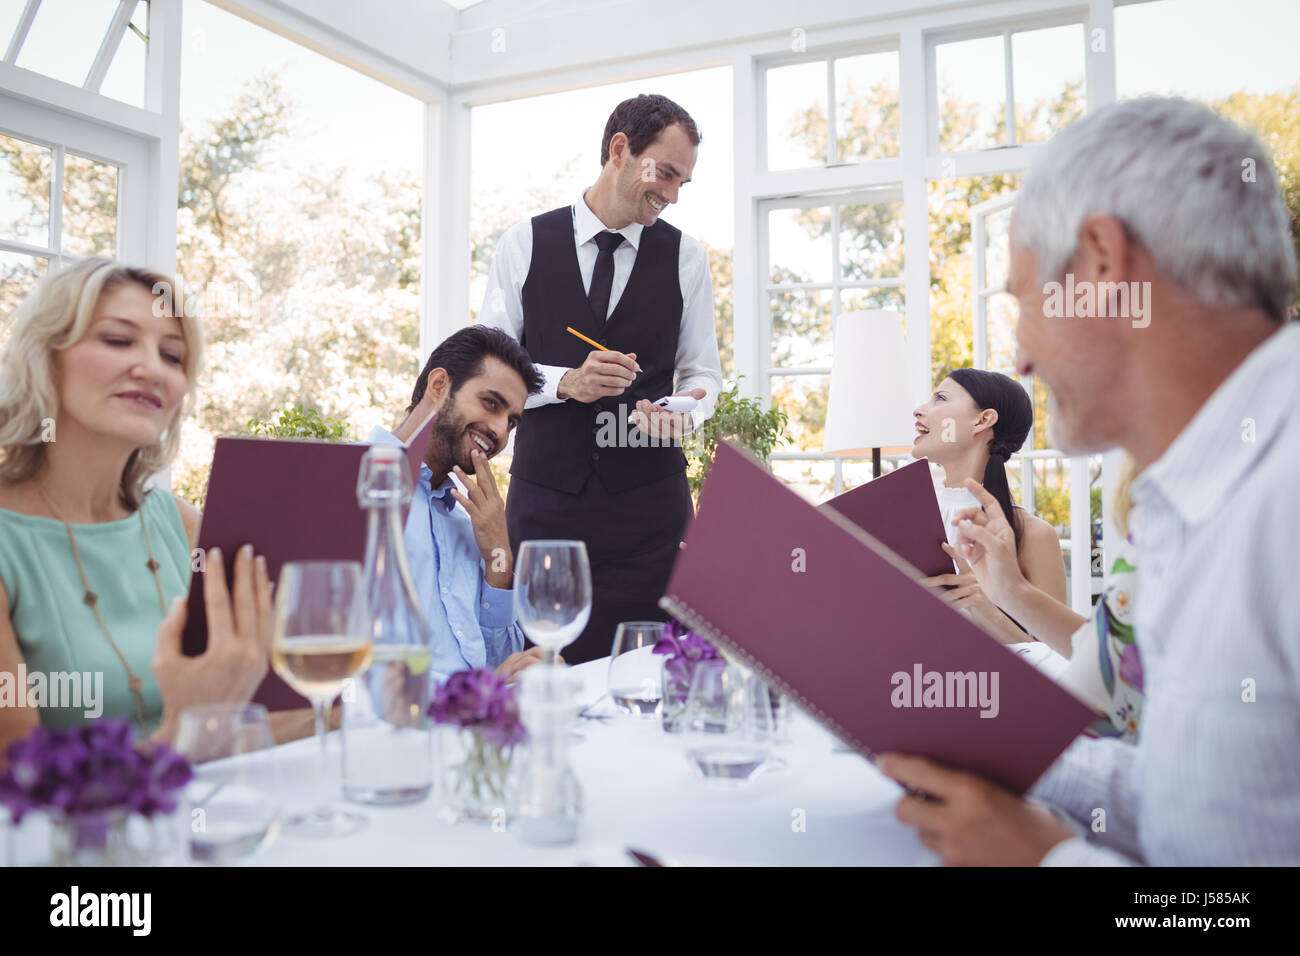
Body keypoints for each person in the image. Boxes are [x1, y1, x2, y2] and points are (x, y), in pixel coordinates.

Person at [878, 97, 1299, 865]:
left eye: (1022, 300)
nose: (1023, 359)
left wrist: (1044, 861)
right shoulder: (1182, 498)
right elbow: (1191, 805)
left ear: (1102, 263)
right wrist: (945, 728)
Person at [479, 93, 723, 665]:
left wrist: (682, 409)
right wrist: (566, 382)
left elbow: (702, 373)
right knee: (543, 681)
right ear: (620, 150)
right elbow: (488, 367)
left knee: (653, 679)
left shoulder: (688, 258)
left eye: (684, 182)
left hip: (650, 521)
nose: (673, 194)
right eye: (665, 173)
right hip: (545, 518)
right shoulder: (523, 245)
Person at [0, 258, 272, 753]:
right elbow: (17, 778)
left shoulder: (182, 525)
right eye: (118, 340)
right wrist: (185, 733)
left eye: (172, 355)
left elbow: (269, 707)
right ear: (45, 355)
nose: (151, 369)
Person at [368, 326, 546, 683]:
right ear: (439, 386)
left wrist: (499, 557)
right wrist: (475, 690)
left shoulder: (467, 522)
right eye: (491, 403)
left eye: (512, 422)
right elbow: (348, 667)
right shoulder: (350, 487)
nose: (500, 432)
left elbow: (498, 663)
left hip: (477, 726)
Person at [911, 368, 1067, 649]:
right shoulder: (906, 516)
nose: (919, 410)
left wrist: (982, 608)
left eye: (940, 399)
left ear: (982, 421)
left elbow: (1055, 659)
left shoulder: (1032, 534)